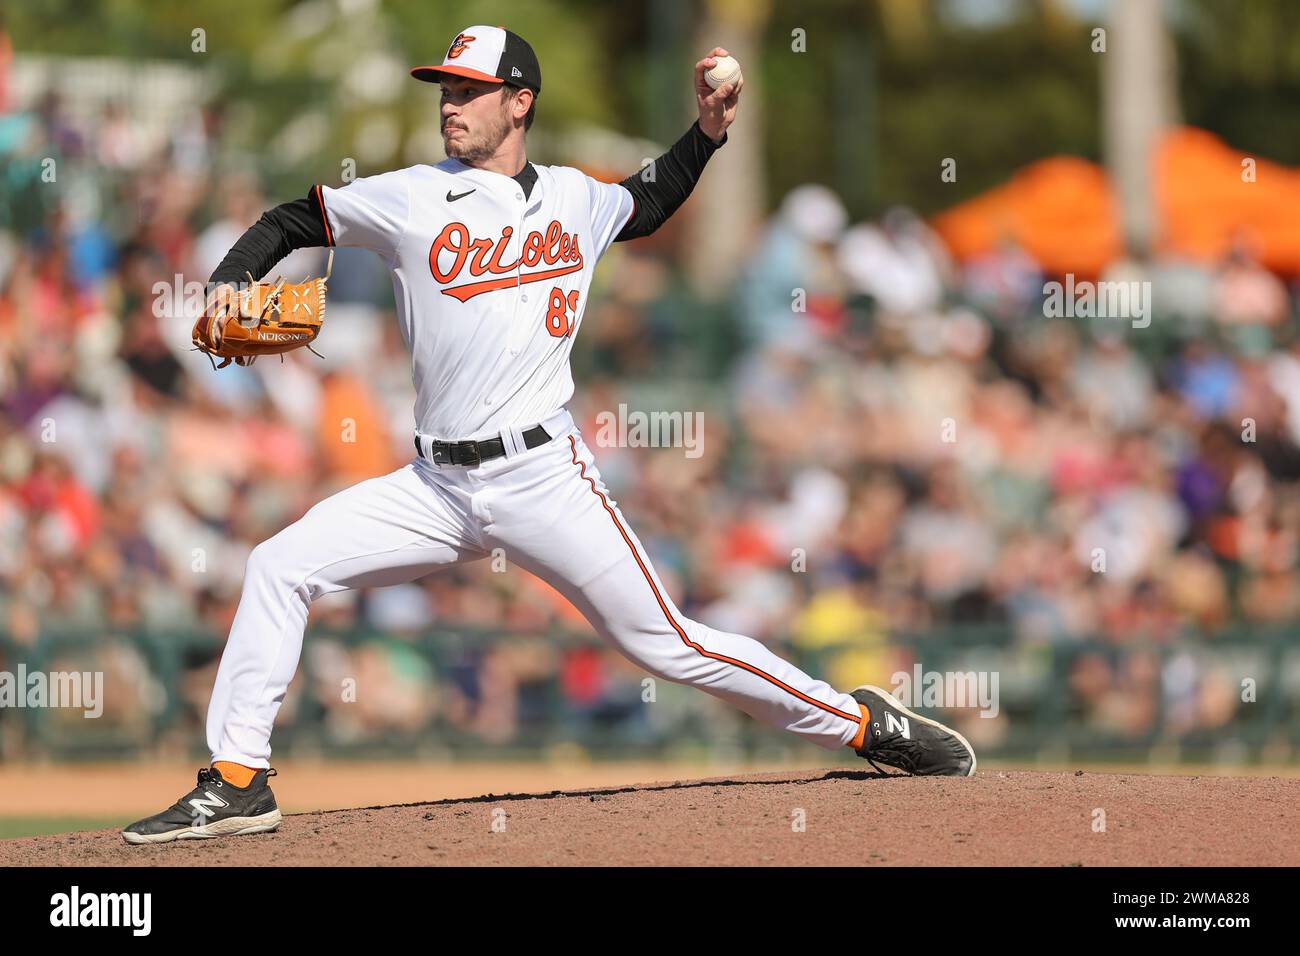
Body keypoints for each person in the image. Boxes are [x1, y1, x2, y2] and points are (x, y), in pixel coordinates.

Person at [123, 26, 975, 845]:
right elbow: (290, 220)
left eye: (469, 90)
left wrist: (708, 133)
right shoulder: (409, 195)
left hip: (544, 480)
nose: (450, 104)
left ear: (519, 102)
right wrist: (230, 282)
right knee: (280, 564)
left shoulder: (575, 196)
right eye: (445, 89)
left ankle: (861, 723)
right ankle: (237, 780)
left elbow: (648, 200)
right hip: (434, 488)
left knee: (669, 645)